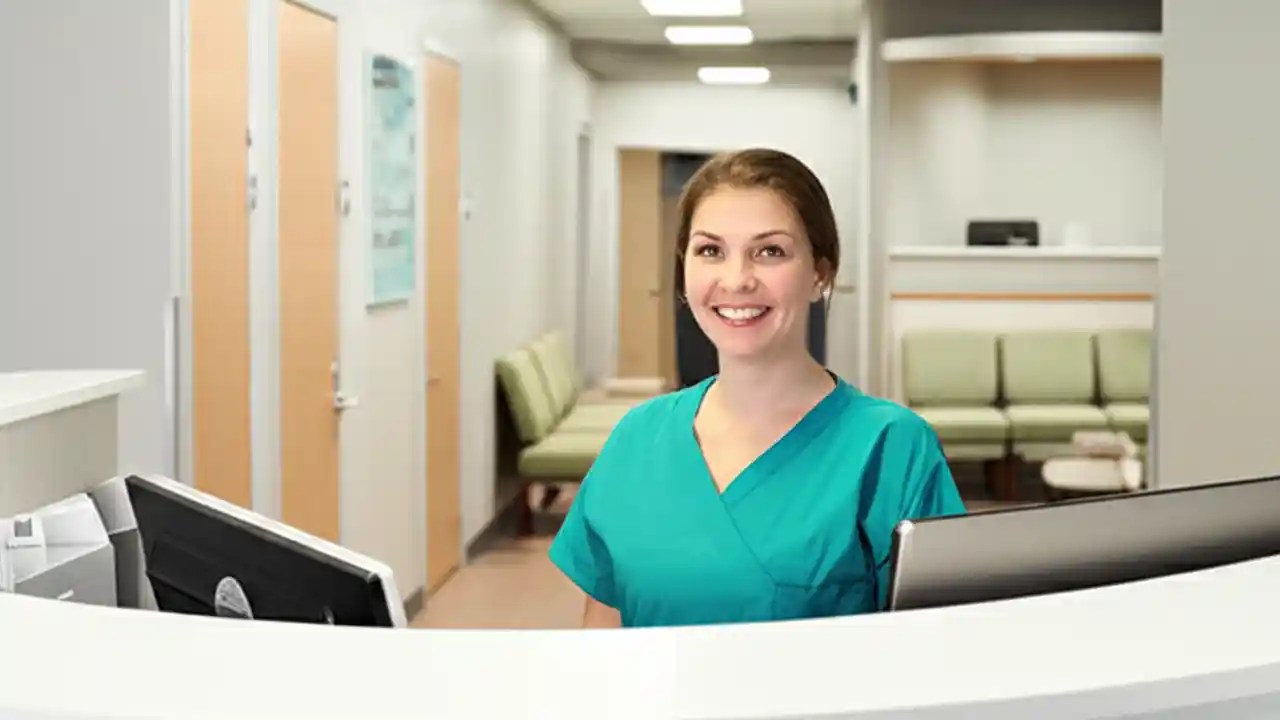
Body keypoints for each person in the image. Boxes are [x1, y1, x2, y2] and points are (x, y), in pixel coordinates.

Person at [548, 148, 966, 629]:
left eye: (770, 251)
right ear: (685, 271)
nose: (737, 280)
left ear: (820, 274)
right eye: (710, 251)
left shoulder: (891, 448)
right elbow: (603, 629)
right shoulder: (637, 439)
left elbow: (938, 650)